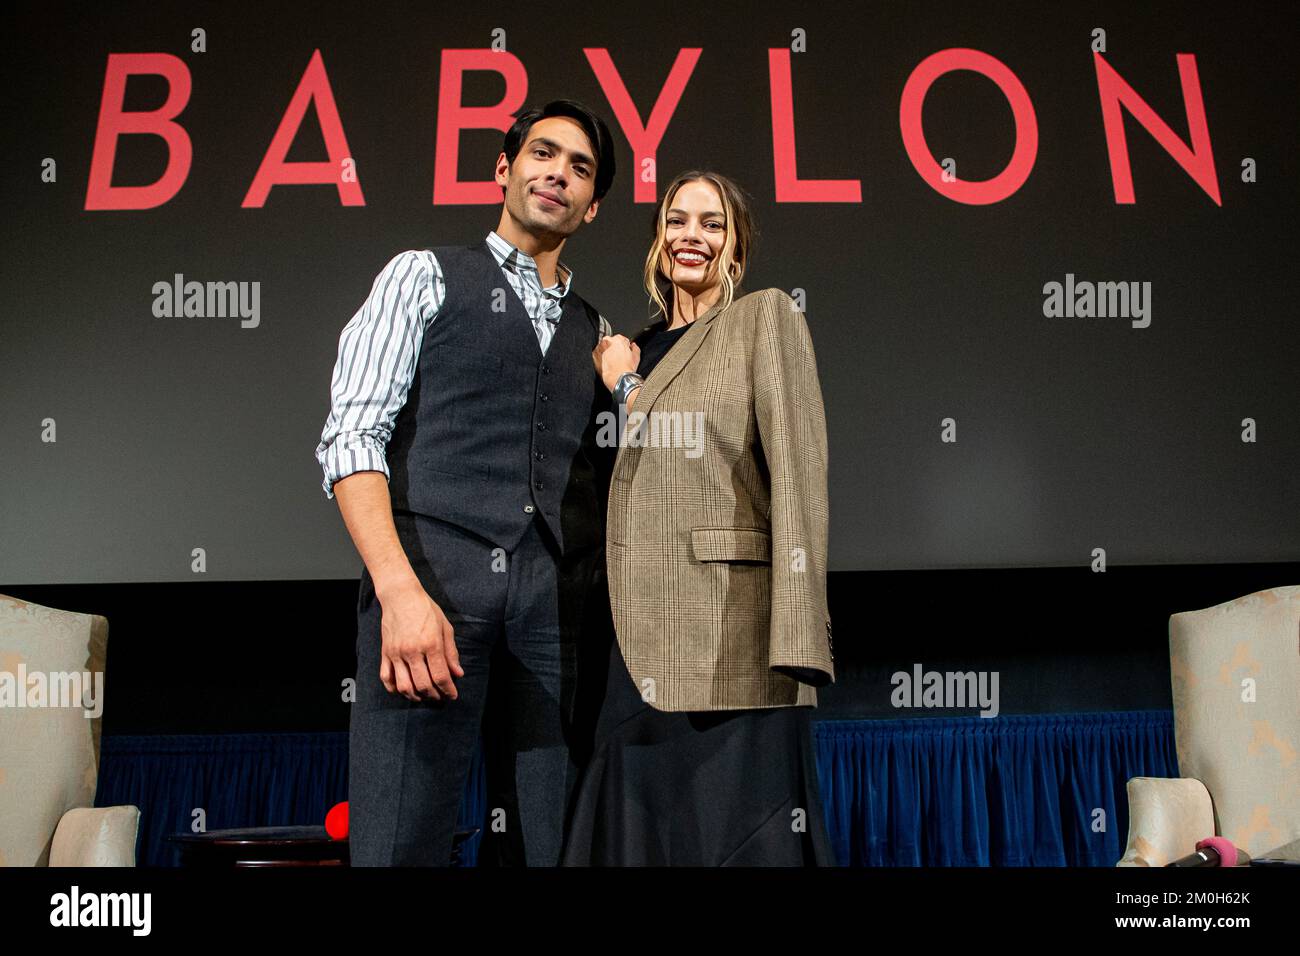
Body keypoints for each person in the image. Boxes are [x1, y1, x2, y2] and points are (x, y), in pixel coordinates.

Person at [315, 99, 618, 866]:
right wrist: (399, 591)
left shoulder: (595, 329)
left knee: (558, 845)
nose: (558, 173)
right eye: (543, 154)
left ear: (592, 207)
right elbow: (352, 435)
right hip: (431, 591)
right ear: (503, 169)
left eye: (579, 168)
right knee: (398, 840)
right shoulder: (422, 275)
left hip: (552, 611)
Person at [563, 170, 837, 865]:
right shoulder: (629, 346)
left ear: (736, 246)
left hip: (731, 645)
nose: (692, 236)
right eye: (677, 220)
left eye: (712, 223)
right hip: (623, 643)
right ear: (659, 239)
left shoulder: (761, 318)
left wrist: (799, 641)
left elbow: (800, 474)